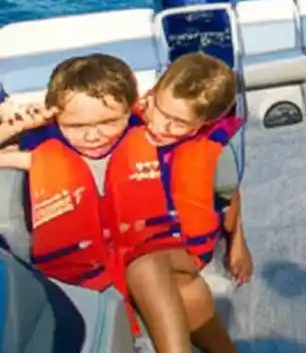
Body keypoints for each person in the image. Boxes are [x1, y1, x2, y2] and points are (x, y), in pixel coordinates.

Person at [0, 54, 231, 353]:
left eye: (109, 121)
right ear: (57, 118)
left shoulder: (151, 135)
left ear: (131, 110)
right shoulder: (44, 151)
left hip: (161, 252)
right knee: (183, 289)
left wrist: (237, 242)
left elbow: (207, 134)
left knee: (145, 262)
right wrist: (13, 128)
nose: (93, 135)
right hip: (87, 267)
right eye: (77, 125)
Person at [135, 52, 253, 293]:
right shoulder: (120, 126)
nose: (161, 126)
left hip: (190, 253)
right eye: (160, 110)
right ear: (155, 93)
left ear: (203, 124)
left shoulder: (210, 148)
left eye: (179, 122)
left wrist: (238, 244)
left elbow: (228, 196)